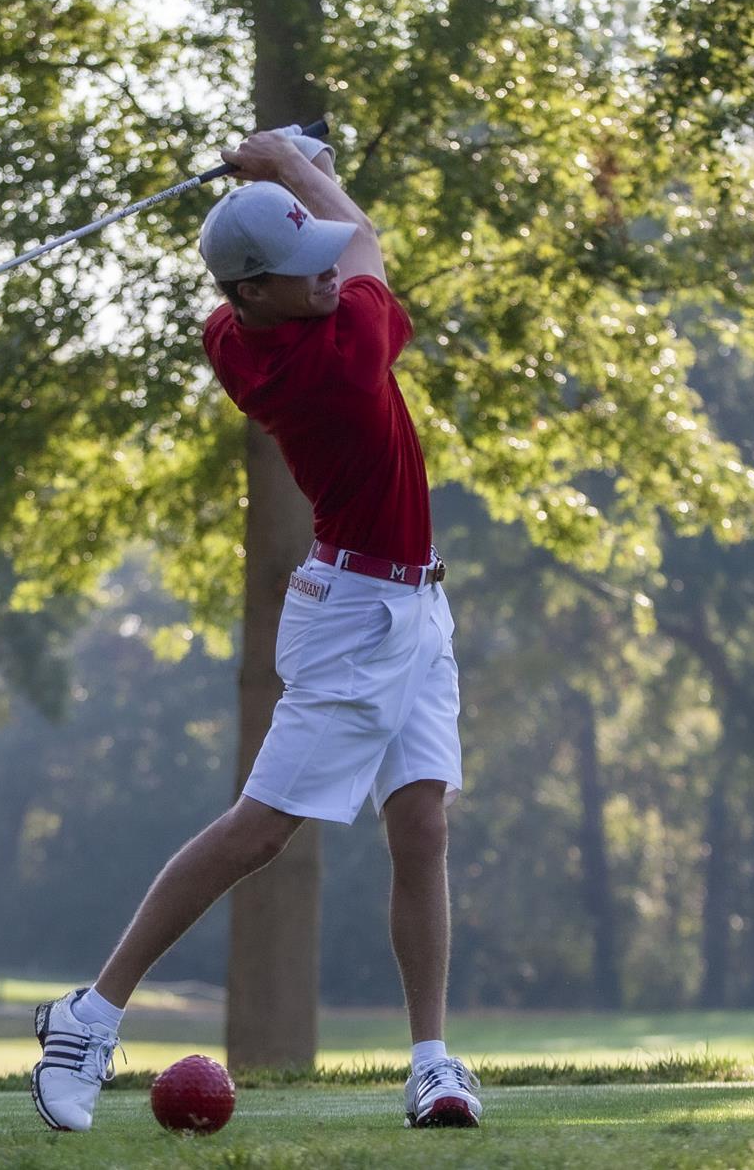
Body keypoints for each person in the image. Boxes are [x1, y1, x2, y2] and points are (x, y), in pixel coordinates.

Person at [30, 126, 479, 1132]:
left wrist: (286, 187)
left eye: (317, 266)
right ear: (255, 292)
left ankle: (432, 1063)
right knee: (257, 832)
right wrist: (284, 161)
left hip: (412, 605)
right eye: (301, 273)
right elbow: (358, 232)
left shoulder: (233, 333)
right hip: (356, 620)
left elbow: (330, 239)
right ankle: (87, 1014)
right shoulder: (341, 357)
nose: (325, 278)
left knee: (422, 825)